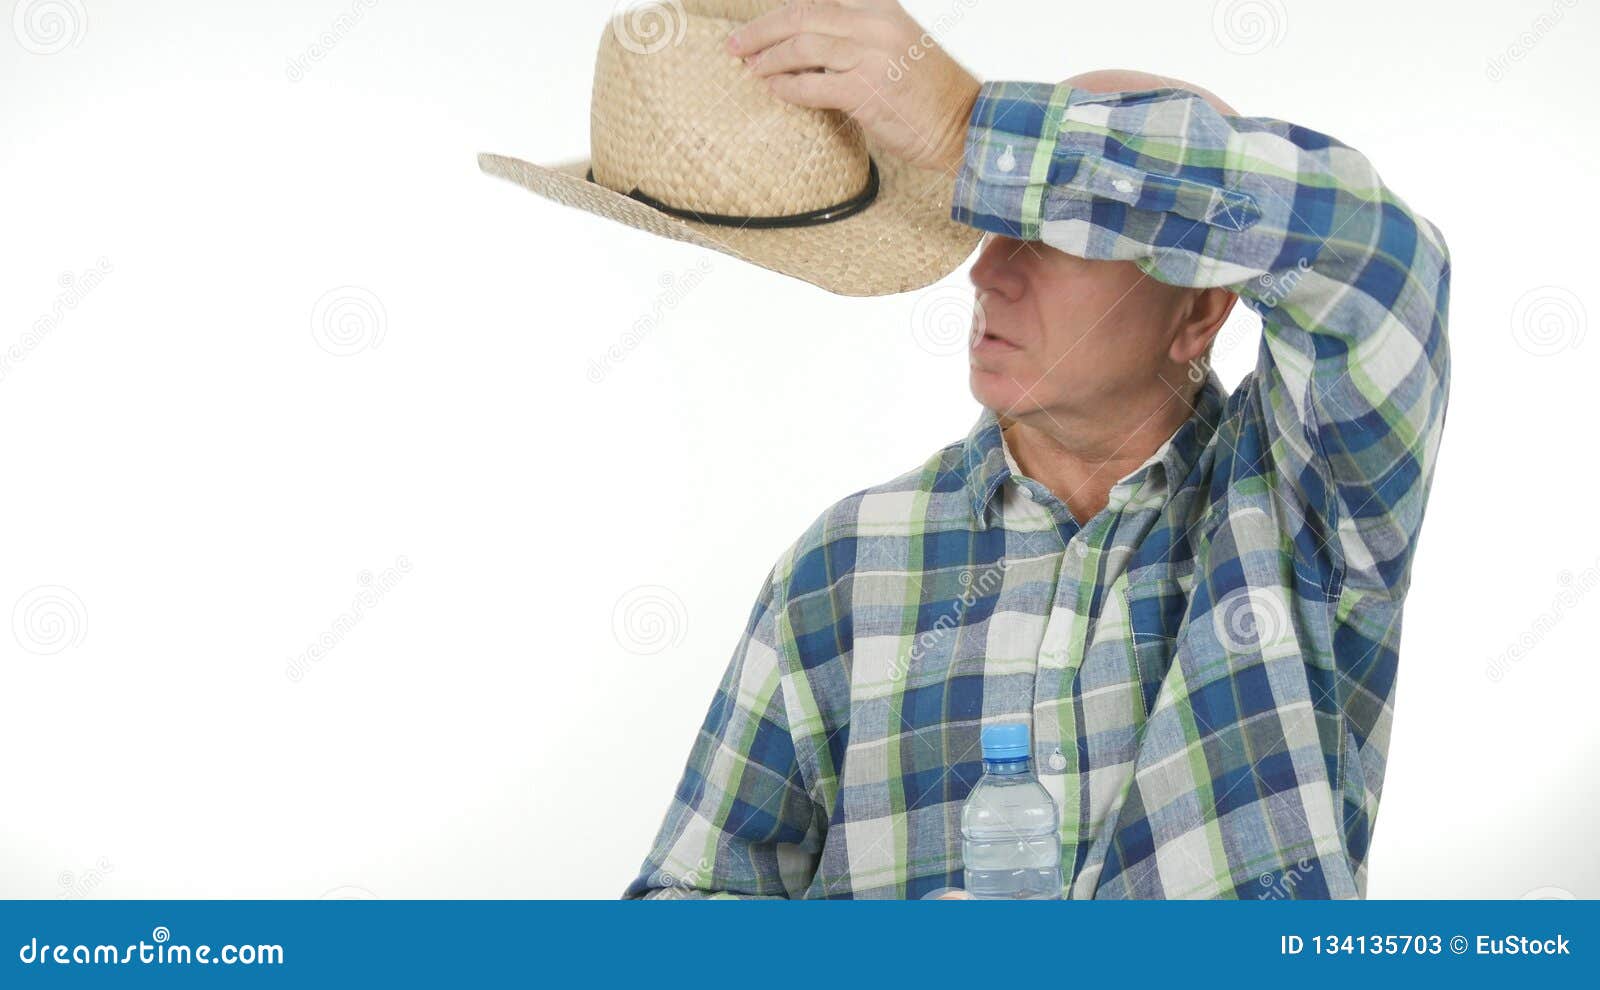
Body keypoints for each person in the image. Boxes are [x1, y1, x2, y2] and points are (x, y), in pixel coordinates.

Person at [625, 0, 1450, 899]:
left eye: (1053, 234)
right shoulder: (845, 566)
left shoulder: (1303, 512)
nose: (986, 272)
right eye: (993, 224)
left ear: (1202, 310)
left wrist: (965, 124)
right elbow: (683, 908)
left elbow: (1378, 261)